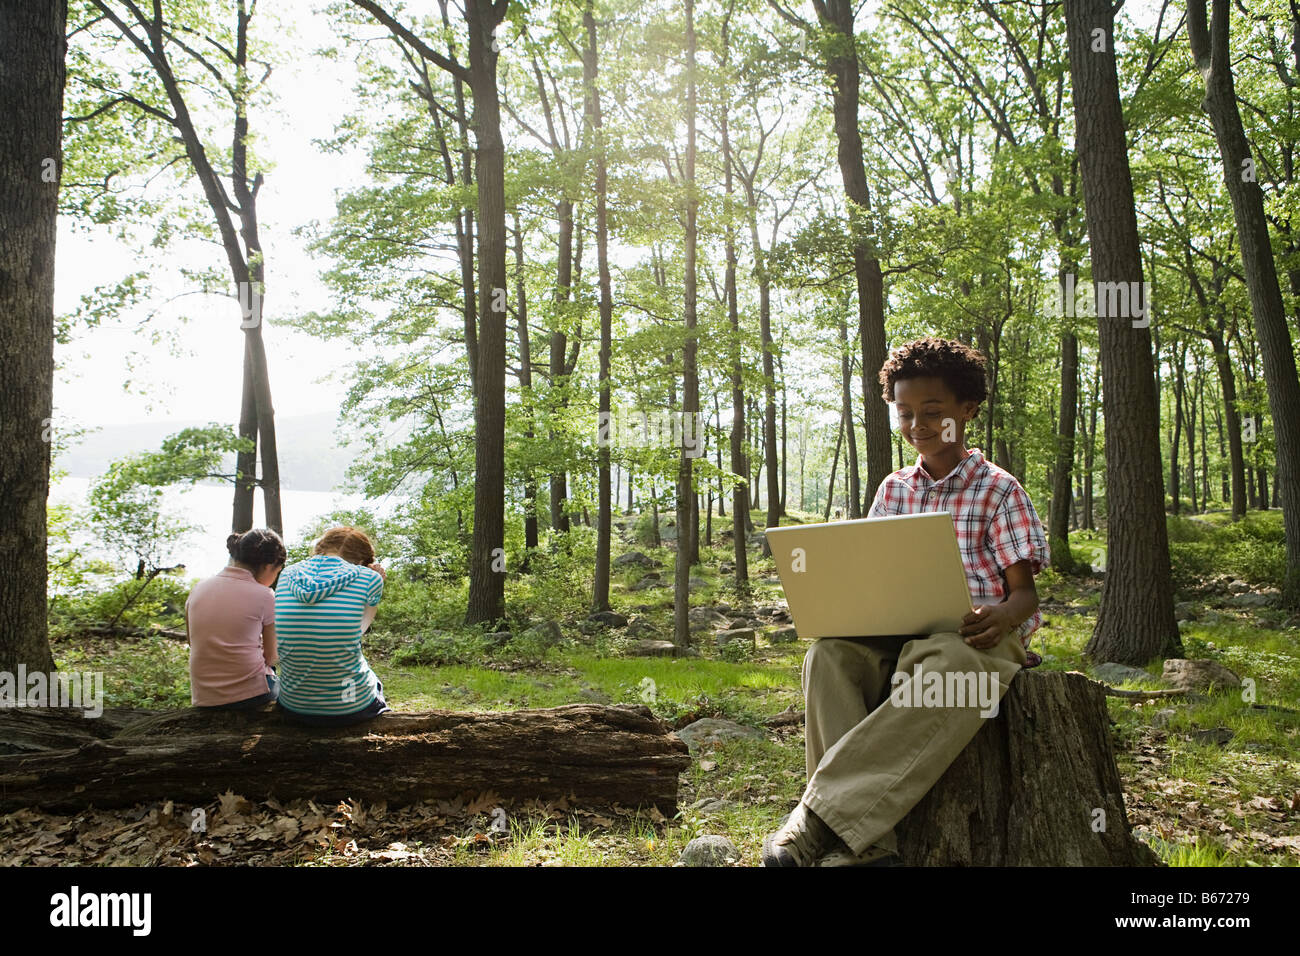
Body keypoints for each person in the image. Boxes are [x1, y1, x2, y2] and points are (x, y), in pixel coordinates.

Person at [762, 336, 1049, 867]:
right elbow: (874, 572)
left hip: (978, 638)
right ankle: (868, 848)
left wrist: (1002, 616)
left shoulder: (999, 490)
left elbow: (1025, 595)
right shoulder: (893, 489)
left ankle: (819, 819)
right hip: (899, 630)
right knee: (828, 657)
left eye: (933, 412)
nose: (918, 424)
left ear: (967, 410)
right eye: (905, 412)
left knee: (949, 665)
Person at [274, 526, 390, 726]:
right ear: (363, 561)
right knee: (373, 681)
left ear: (322, 548)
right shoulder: (370, 578)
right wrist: (376, 579)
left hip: (293, 704)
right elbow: (360, 629)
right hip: (349, 706)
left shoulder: (286, 575)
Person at [186, 528, 286, 710]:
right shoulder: (265, 595)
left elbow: (192, 641)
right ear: (268, 566)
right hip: (250, 695)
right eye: (277, 572)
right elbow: (271, 657)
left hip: (204, 696)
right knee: (286, 686)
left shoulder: (198, 588)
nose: (274, 579)